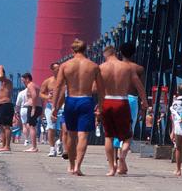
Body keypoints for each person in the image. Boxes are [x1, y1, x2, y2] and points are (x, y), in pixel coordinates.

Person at [51, 39, 104, 176]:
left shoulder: (65, 66)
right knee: (83, 135)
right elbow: (101, 89)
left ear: (72, 50)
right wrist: (101, 106)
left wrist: (54, 107)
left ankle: (71, 165)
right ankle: (78, 167)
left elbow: (58, 87)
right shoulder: (93, 66)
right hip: (86, 100)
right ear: (85, 49)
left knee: (71, 134)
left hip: (71, 101)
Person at [99, 46, 148, 176]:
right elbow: (140, 86)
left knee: (109, 135)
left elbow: (95, 88)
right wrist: (144, 102)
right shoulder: (134, 68)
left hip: (108, 100)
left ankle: (112, 166)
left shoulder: (103, 67)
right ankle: (122, 158)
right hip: (125, 100)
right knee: (127, 133)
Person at [120, 42, 145, 139]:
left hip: (117, 98)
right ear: (134, 53)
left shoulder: (116, 67)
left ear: (120, 52)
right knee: (129, 128)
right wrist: (144, 104)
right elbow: (141, 88)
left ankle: (116, 147)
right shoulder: (139, 68)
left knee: (116, 126)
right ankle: (125, 146)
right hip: (132, 99)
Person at [40, 63, 62, 157]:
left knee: (63, 128)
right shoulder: (48, 81)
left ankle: (60, 142)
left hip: (62, 106)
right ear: (52, 70)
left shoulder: (65, 80)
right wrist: (47, 97)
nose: (59, 70)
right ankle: (52, 148)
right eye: (57, 68)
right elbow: (41, 93)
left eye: (60, 68)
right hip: (50, 106)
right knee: (51, 127)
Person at [0, 65, 15, 152]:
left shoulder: (7, 81)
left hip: (6, 105)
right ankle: (3, 145)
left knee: (7, 126)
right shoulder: (1, 84)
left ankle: (7, 146)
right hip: (0, 105)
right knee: (1, 127)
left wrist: (0, 67)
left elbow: (1, 76)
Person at [22, 73, 42, 152]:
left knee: (31, 126)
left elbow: (34, 95)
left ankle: (34, 147)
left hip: (33, 107)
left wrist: (33, 108)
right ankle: (34, 146)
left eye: (23, 81)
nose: (23, 82)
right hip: (38, 107)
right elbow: (41, 98)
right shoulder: (36, 85)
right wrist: (42, 110)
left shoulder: (30, 85)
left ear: (27, 79)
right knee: (30, 125)